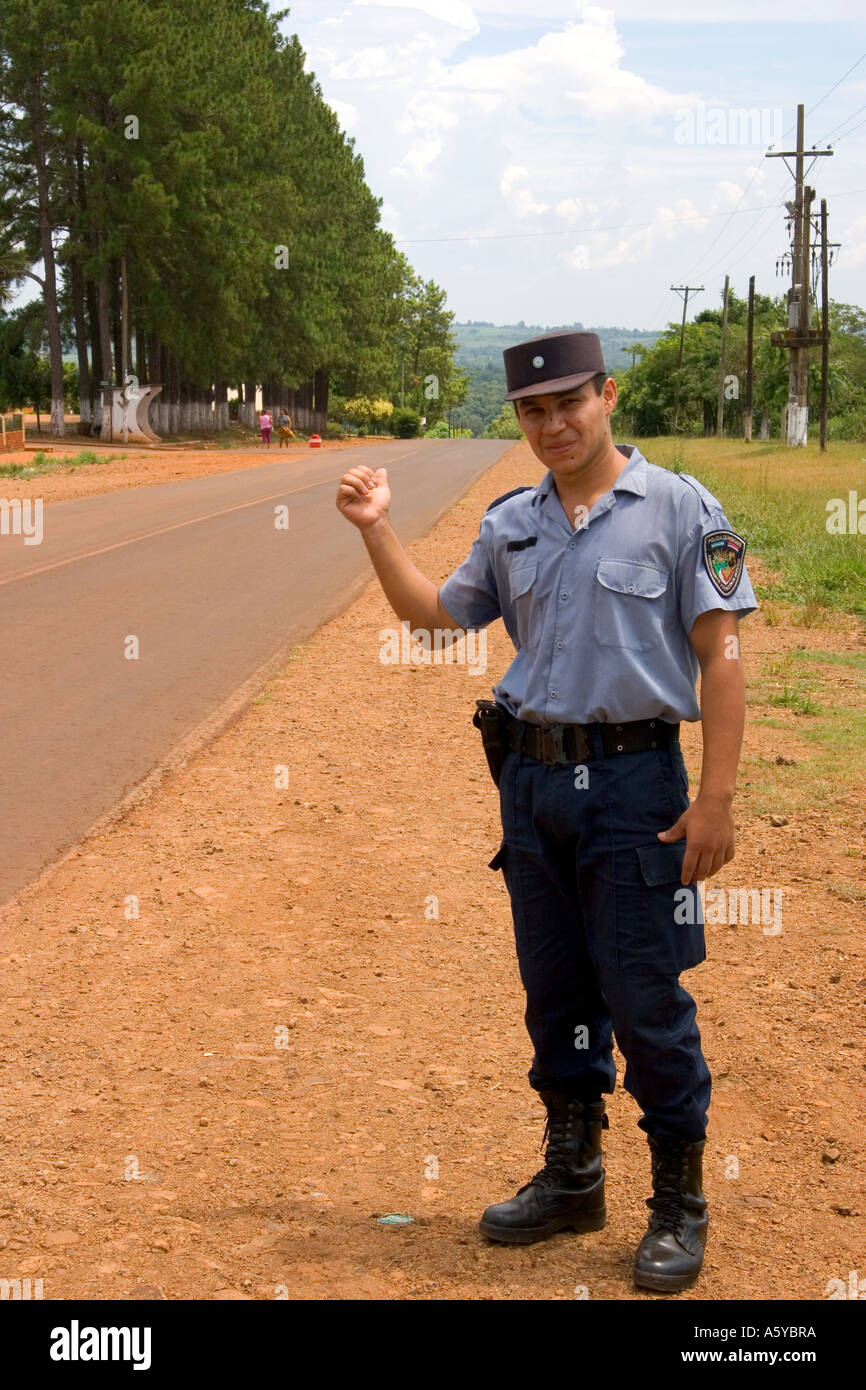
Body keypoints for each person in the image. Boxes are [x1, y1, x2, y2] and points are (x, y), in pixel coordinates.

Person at [335, 329, 757, 1293]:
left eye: (569, 403)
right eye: (532, 410)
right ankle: (573, 1176)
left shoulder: (688, 511)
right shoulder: (511, 523)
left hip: (636, 790)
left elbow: (721, 658)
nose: (552, 424)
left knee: (647, 999)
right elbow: (435, 620)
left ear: (607, 396)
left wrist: (717, 799)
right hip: (531, 789)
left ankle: (678, 1203)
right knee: (557, 997)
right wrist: (375, 527)